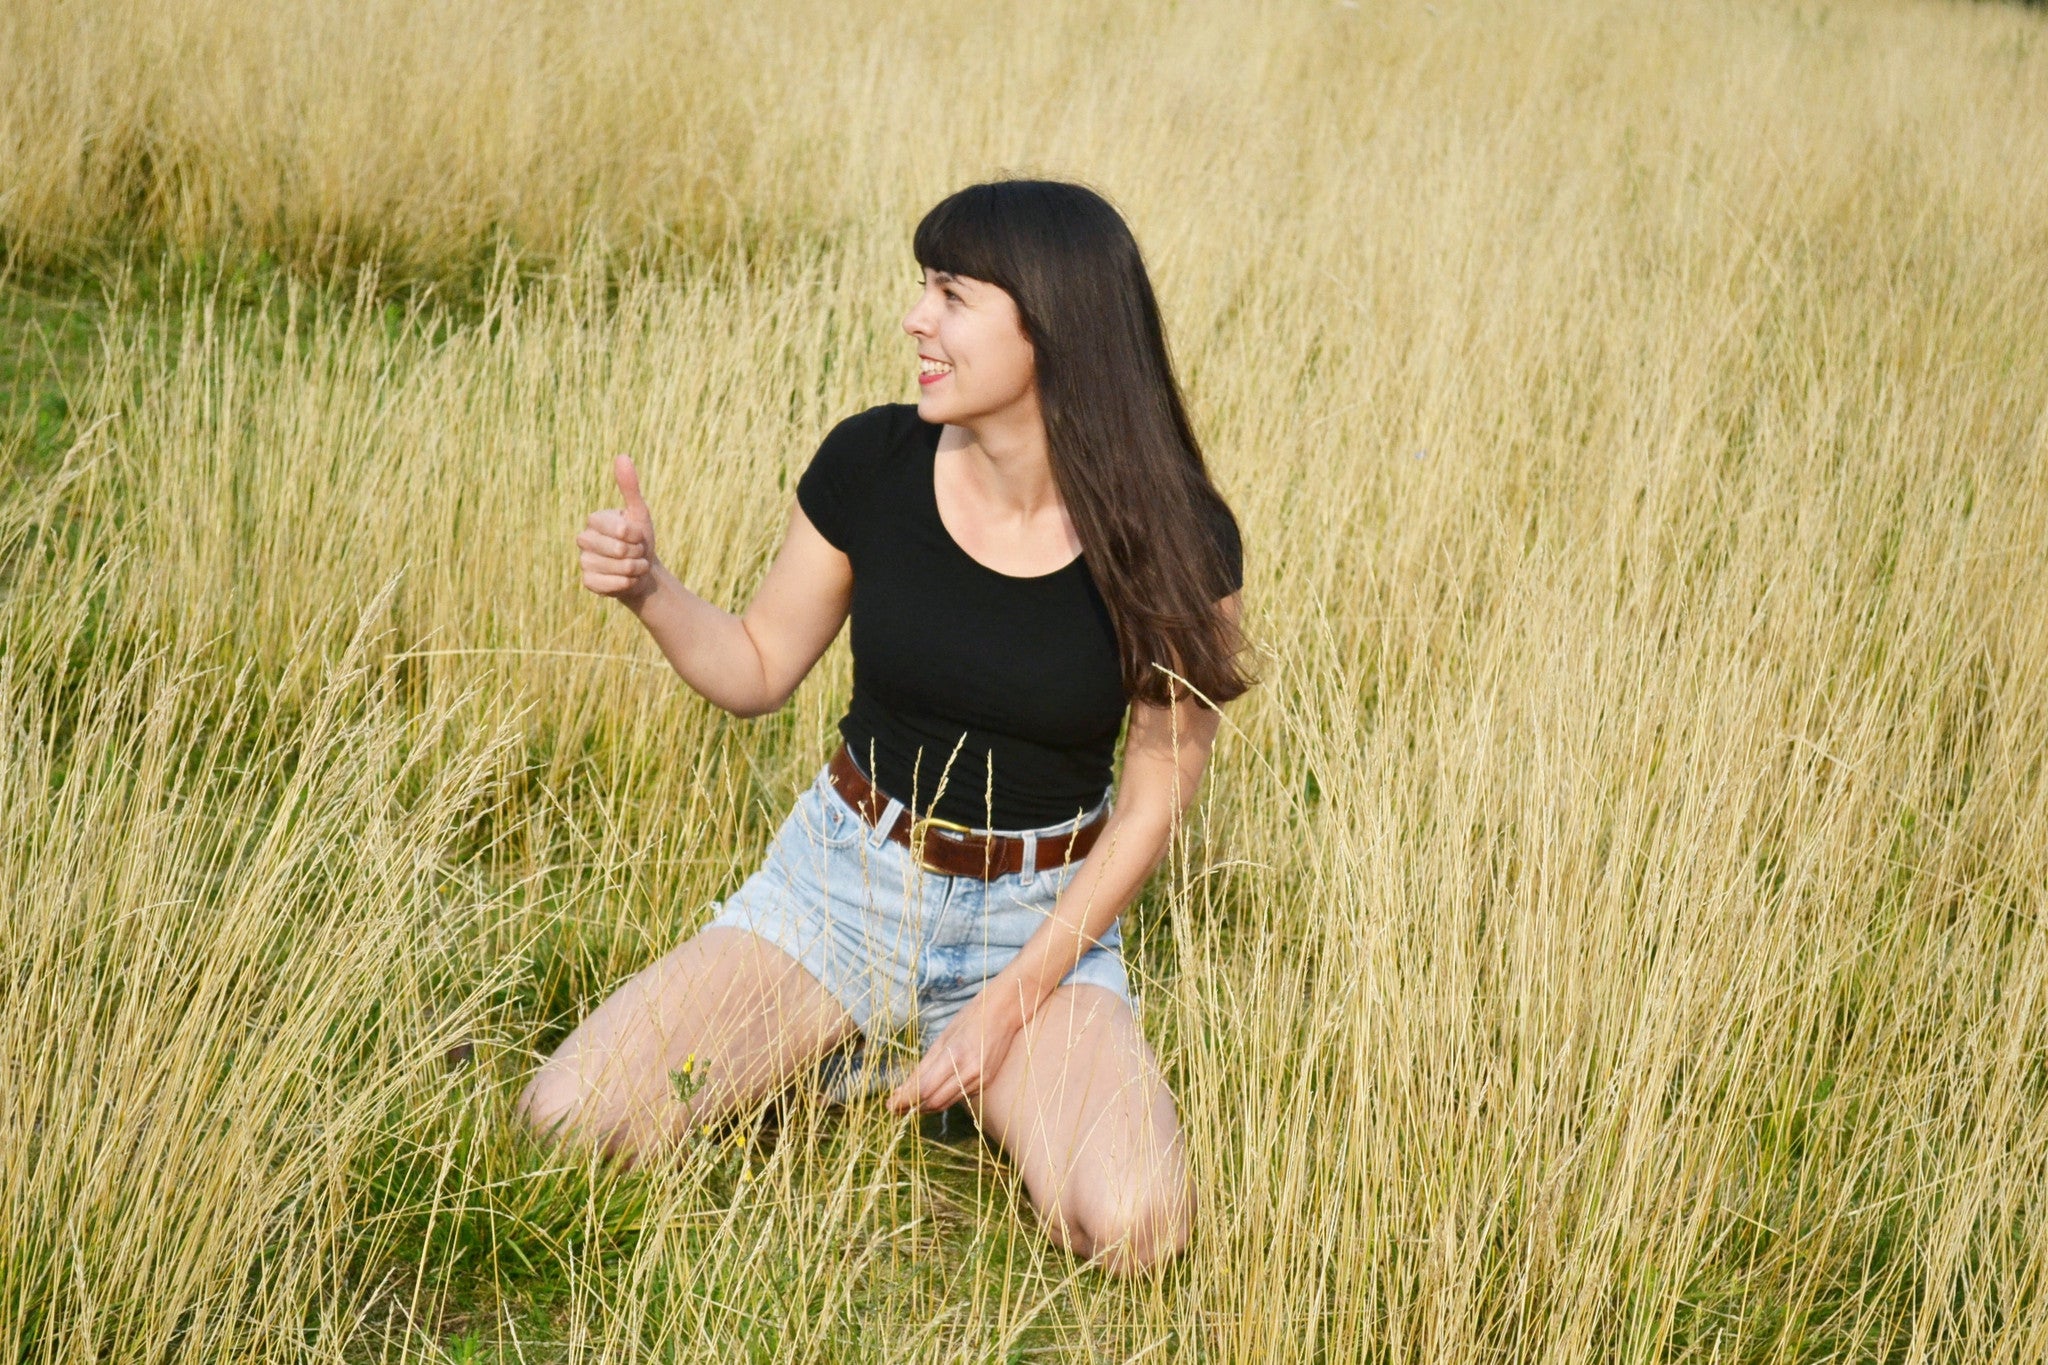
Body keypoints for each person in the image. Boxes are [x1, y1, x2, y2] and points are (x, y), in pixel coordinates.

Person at [520, 179, 1254, 1277]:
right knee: (567, 1122)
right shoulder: (873, 463)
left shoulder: (1179, 535)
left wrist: (1005, 1007)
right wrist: (650, 590)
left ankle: (908, 1057)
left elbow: (1152, 804)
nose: (916, 319)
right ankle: (841, 1047)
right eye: (923, 289)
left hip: (1038, 918)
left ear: (1050, 325)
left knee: (1137, 1226)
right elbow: (757, 667)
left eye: (951, 296)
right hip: (843, 893)